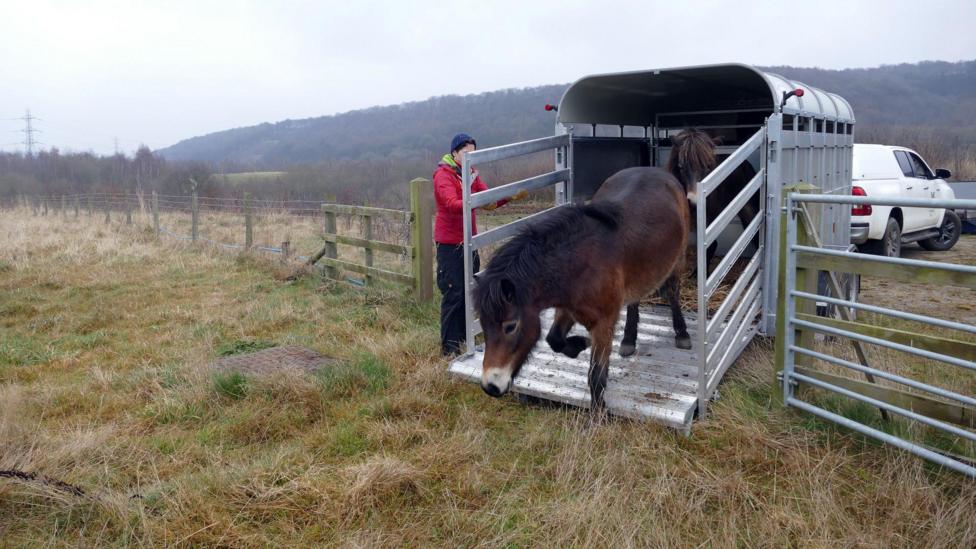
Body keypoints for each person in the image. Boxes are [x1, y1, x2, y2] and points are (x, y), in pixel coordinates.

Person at [434, 133, 527, 356]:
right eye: (466, 152)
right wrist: (473, 199)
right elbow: (451, 204)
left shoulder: (471, 174)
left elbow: (489, 201)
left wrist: (508, 197)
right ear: (455, 152)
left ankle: (464, 340)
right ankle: (449, 349)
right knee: (453, 293)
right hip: (450, 245)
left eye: (474, 153)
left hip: (469, 243)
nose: (470, 157)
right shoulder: (443, 175)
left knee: (468, 292)